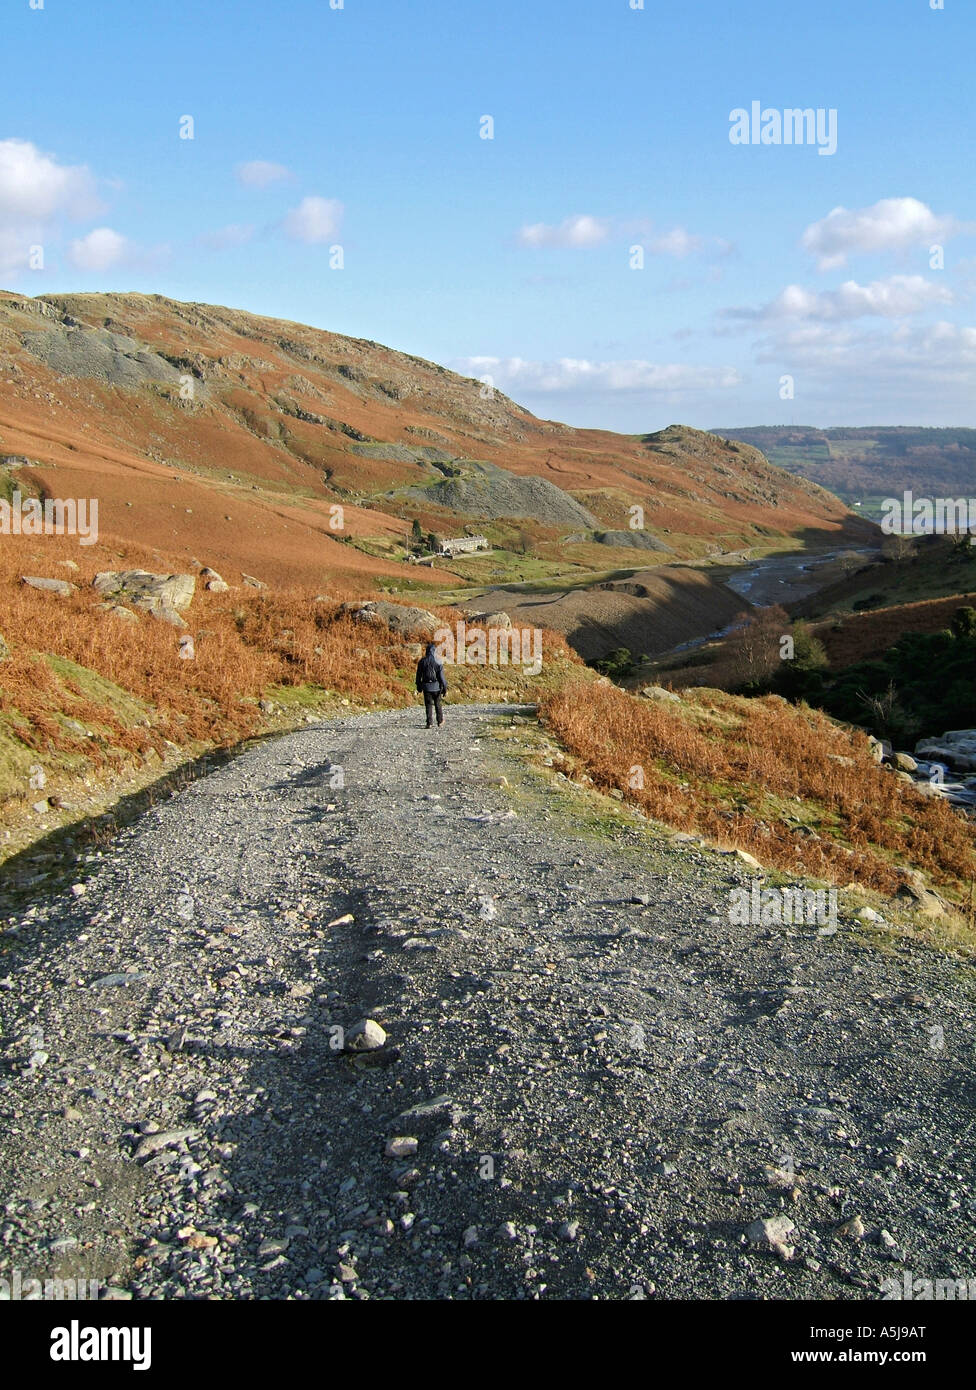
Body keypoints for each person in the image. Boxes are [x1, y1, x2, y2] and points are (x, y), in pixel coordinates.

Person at [415, 641, 447, 728]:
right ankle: (440, 721)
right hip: (436, 686)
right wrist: (444, 688)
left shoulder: (422, 661)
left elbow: (418, 675)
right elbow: (441, 677)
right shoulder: (438, 661)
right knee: (438, 704)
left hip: (426, 687)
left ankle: (429, 723)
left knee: (428, 705)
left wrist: (419, 686)